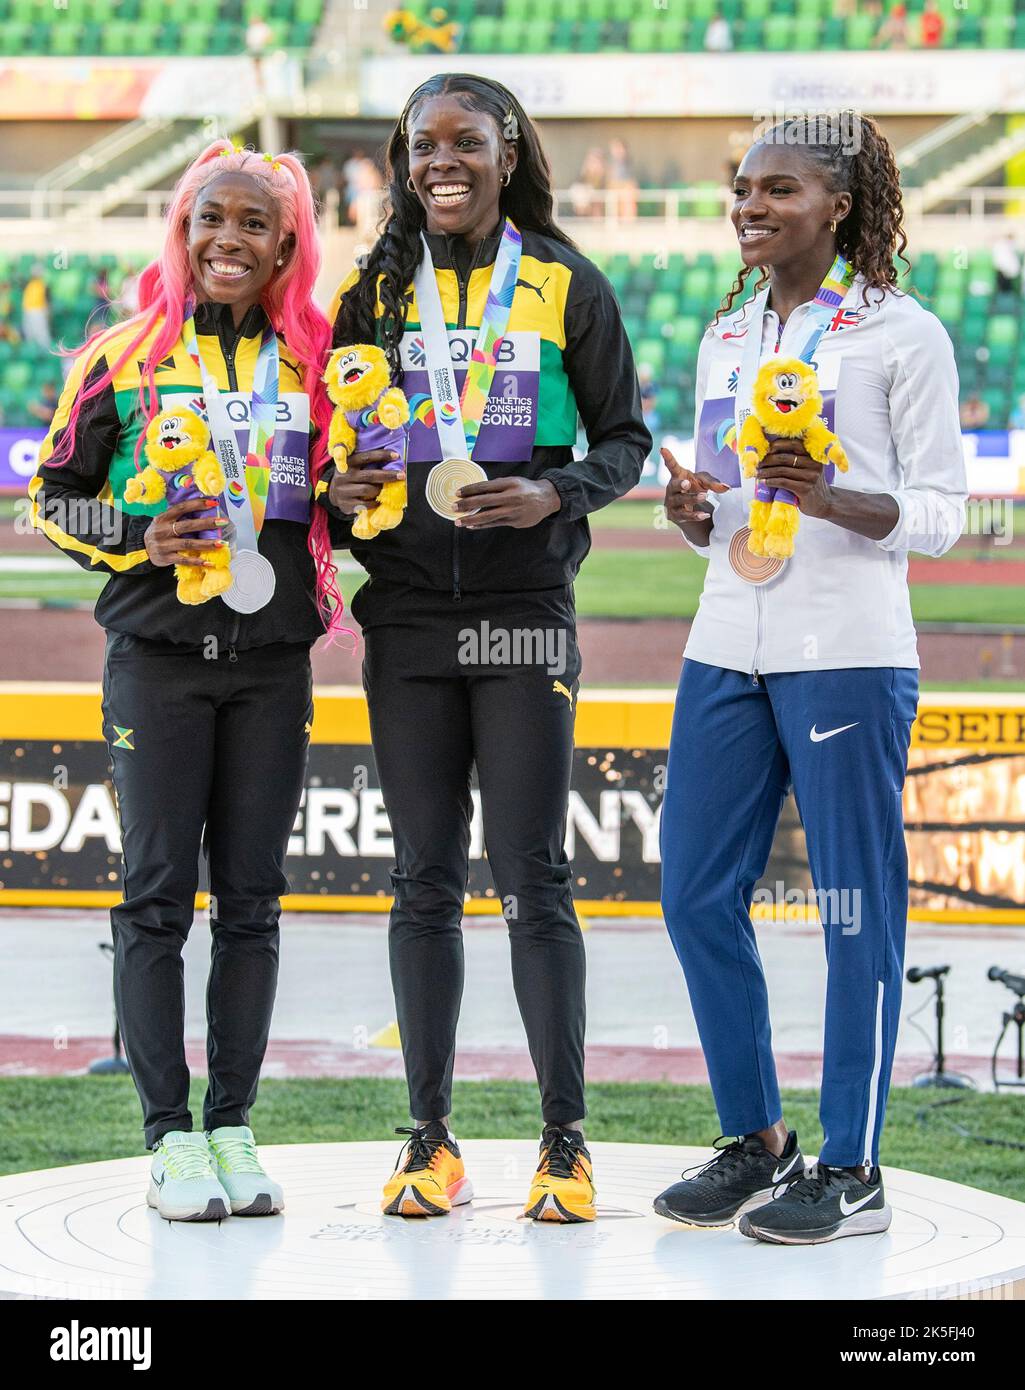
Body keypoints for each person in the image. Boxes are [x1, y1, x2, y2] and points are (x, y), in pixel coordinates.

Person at [325, 71, 650, 1223]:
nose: (440, 164)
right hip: (406, 618)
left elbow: (625, 442)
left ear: (507, 153)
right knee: (419, 882)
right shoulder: (371, 293)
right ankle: (429, 1139)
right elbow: (333, 466)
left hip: (522, 616)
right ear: (404, 159)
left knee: (532, 880)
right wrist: (342, 485)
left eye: (465, 143)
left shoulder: (565, 282)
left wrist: (553, 496)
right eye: (422, 146)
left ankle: (564, 1143)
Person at [653, 111, 966, 1244]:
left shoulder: (902, 335)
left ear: (835, 205)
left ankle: (854, 1165)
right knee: (690, 893)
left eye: (775, 190)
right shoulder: (728, 332)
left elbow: (943, 511)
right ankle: (756, 1140)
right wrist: (697, 514)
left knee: (850, 910)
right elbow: (732, 502)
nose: (748, 206)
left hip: (846, 654)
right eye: (740, 188)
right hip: (724, 640)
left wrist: (833, 497)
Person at [29, 142, 348, 1222]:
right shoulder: (119, 358)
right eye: (212, 217)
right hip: (157, 665)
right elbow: (50, 498)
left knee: (252, 904)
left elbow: (337, 513)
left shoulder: (313, 364)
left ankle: (234, 1124)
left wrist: (360, 492)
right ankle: (168, 1139)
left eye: (254, 224)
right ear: (183, 227)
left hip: (270, 668)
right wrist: (133, 532)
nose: (229, 239)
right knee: (157, 898)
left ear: (284, 247)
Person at [21, 264, 50, 351]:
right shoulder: (29, 284)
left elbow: (46, 300)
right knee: (29, 333)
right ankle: (31, 351)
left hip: (38, 312)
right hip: (28, 311)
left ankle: (45, 352)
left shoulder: (43, 285)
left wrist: (46, 312)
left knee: (41, 334)